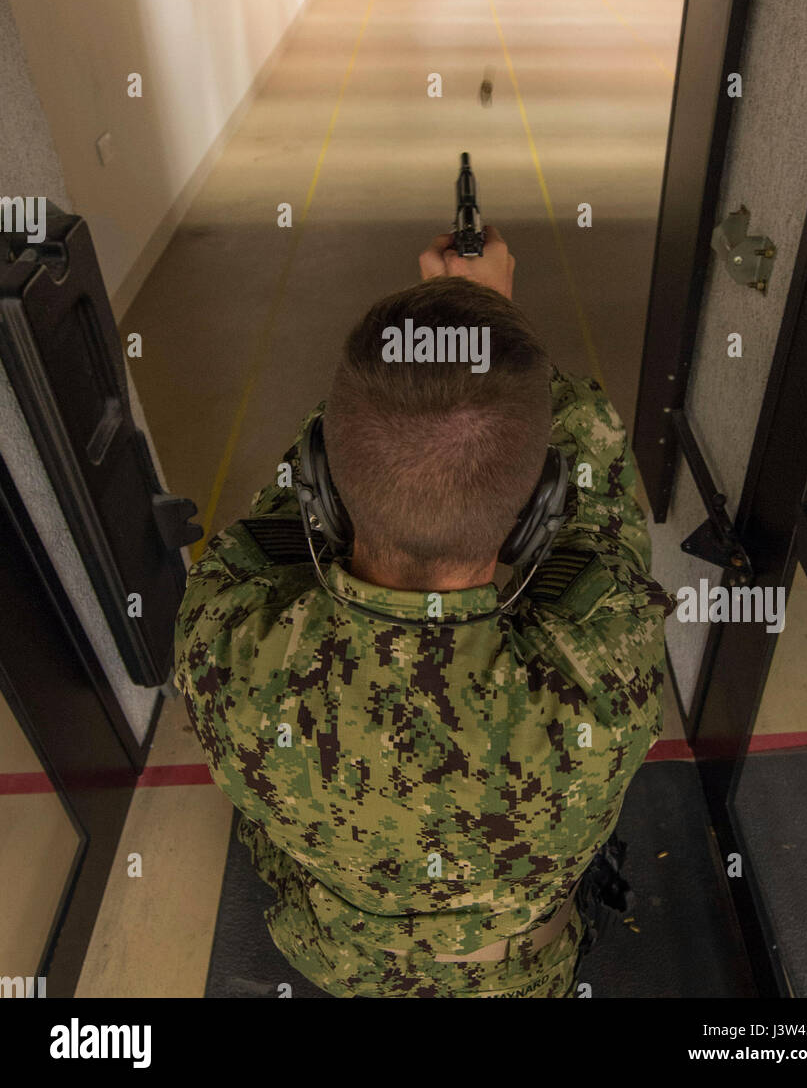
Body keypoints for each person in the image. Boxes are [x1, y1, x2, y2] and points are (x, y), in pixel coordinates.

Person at [174, 227, 674, 998]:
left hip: (331, 958)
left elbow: (301, 482)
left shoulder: (219, 640)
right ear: (533, 511)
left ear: (324, 483)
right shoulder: (608, 676)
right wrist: (484, 319)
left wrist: (436, 349)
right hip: (518, 979)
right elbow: (598, 497)